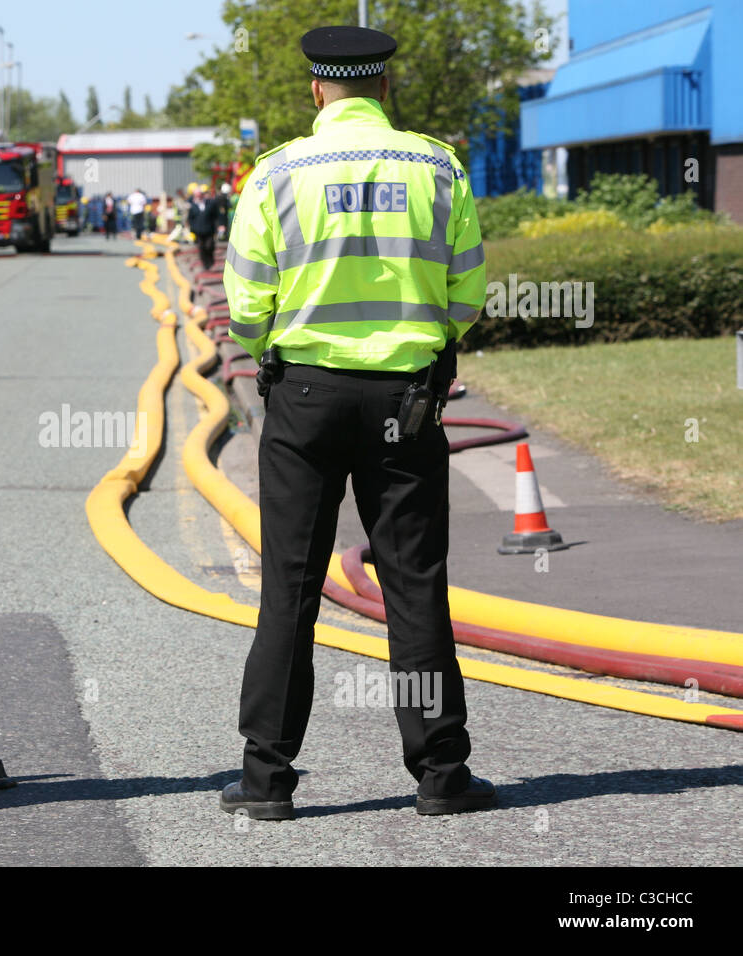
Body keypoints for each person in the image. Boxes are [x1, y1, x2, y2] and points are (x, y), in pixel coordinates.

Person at [220, 27, 492, 821]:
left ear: (317, 90)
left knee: (290, 590)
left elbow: (244, 310)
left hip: (303, 400)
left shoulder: (275, 173)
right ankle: (441, 776)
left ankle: (267, 779)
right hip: (405, 407)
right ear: (383, 87)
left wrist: (277, 343)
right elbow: (466, 295)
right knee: (413, 588)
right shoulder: (437, 167)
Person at [187, 183, 220, 270]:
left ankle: (211, 260)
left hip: (209, 229)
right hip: (198, 231)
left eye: (200, 195)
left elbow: (216, 215)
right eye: (197, 195)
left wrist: (218, 226)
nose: (199, 197)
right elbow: (190, 218)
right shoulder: (193, 206)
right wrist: (192, 229)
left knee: (210, 246)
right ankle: (206, 264)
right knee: (201, 248)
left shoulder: (210, 203)